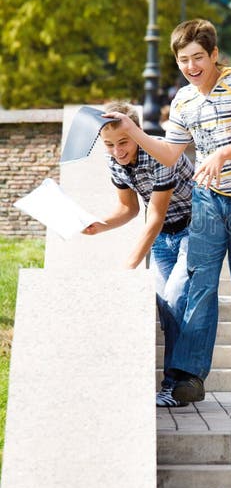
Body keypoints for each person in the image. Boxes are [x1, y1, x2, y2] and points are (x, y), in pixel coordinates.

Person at [102, 19, 231, 404]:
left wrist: (221, 154)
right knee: (199, 282)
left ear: (214, 55)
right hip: (208, 200)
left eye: (198, 57)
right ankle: (189, 376)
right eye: (183, 60)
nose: (191, 66)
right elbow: (169, 153)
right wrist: (133, 130)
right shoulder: (183, 100)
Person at [83, 102, 192, 408]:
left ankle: (176, 385)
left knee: (176, 299)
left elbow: (155, 216)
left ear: (136, 132)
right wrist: (99, 225)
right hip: (163, 238)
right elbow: (128, 208)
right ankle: (179, 382)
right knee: (165, 306)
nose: (117, 151)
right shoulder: (115, 161)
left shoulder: (159, 154)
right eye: (109, 145)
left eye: (123, 142)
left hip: (195, 228)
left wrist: (129, 265)